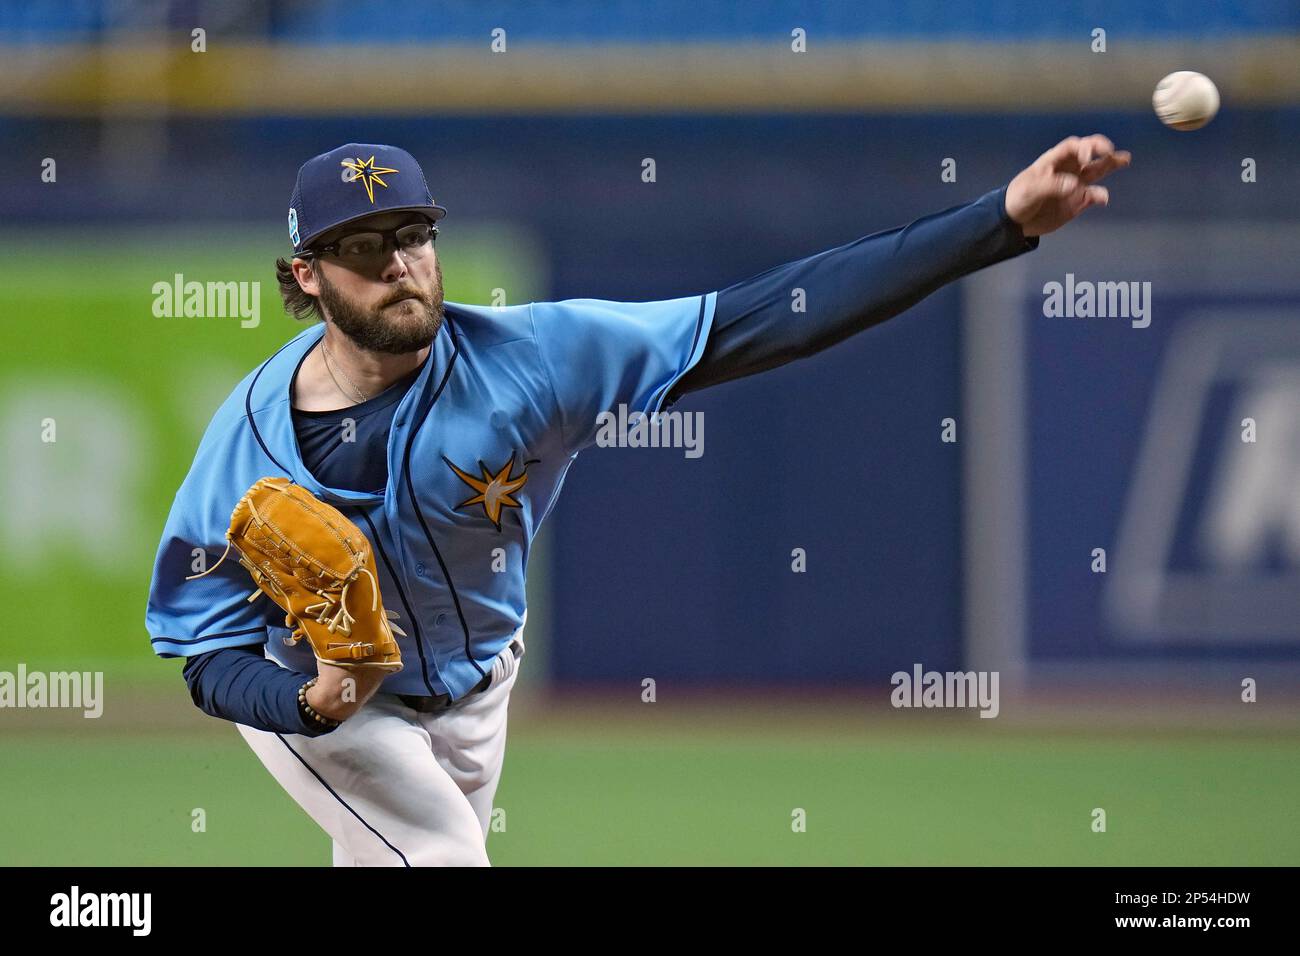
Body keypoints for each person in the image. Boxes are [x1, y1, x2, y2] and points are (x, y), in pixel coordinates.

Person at [145, 137, 1130, 866]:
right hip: (328, 695)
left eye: (412, 233)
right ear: (307, 276)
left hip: (480, 677)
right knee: (439, 854)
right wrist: (304, 701)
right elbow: (200, 647)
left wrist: (997, 220)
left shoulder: (531, 358)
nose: (399, 261)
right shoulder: (245, 449)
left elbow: (772, 317)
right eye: (363, 245)